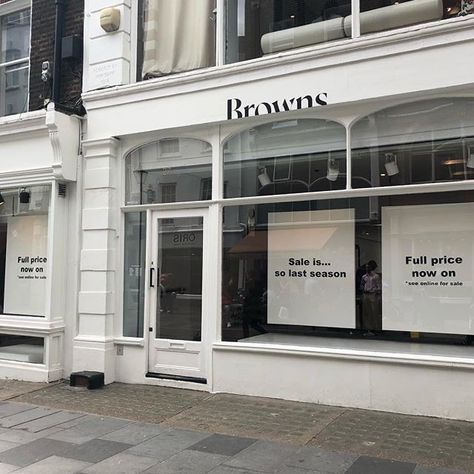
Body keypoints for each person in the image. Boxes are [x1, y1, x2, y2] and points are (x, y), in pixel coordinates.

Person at [360, 260, 382, 333]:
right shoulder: (364, 277)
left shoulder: (376, 276)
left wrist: (376, 294)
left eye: (368, 267)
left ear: (371, 268)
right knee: (366, 312)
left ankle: (376, 328)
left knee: (374, 312)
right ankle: (368, 328)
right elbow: (361, 285)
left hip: (373, 295)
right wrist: (363, 289)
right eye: (366, 268)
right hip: (365, 295)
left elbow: (379, 287)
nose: (366, 269)